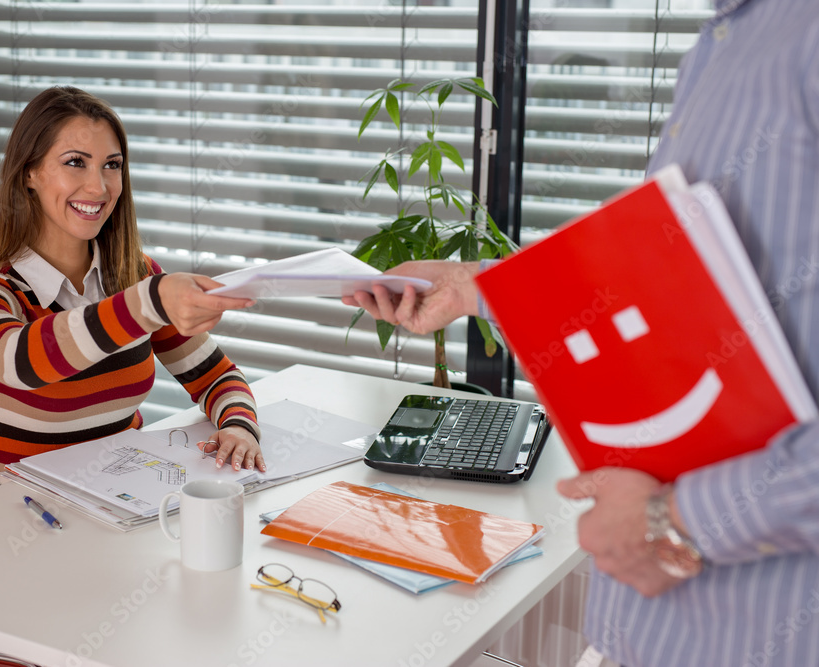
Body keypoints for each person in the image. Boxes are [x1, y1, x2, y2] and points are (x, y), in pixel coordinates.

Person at [346, 0, 819, 664]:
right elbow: (670, 297)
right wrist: (473, 285)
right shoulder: (722, 45)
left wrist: (672, 516)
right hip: (644, 633)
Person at [0, 86, 266, 477]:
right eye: (75, 162)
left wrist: (237, 425)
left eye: (111, 165)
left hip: (130, 497)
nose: (99, 187)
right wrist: (149, 303)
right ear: (30, 173)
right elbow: (20, 363)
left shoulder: (135, 275)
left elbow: (216, 375)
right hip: (32, 513)